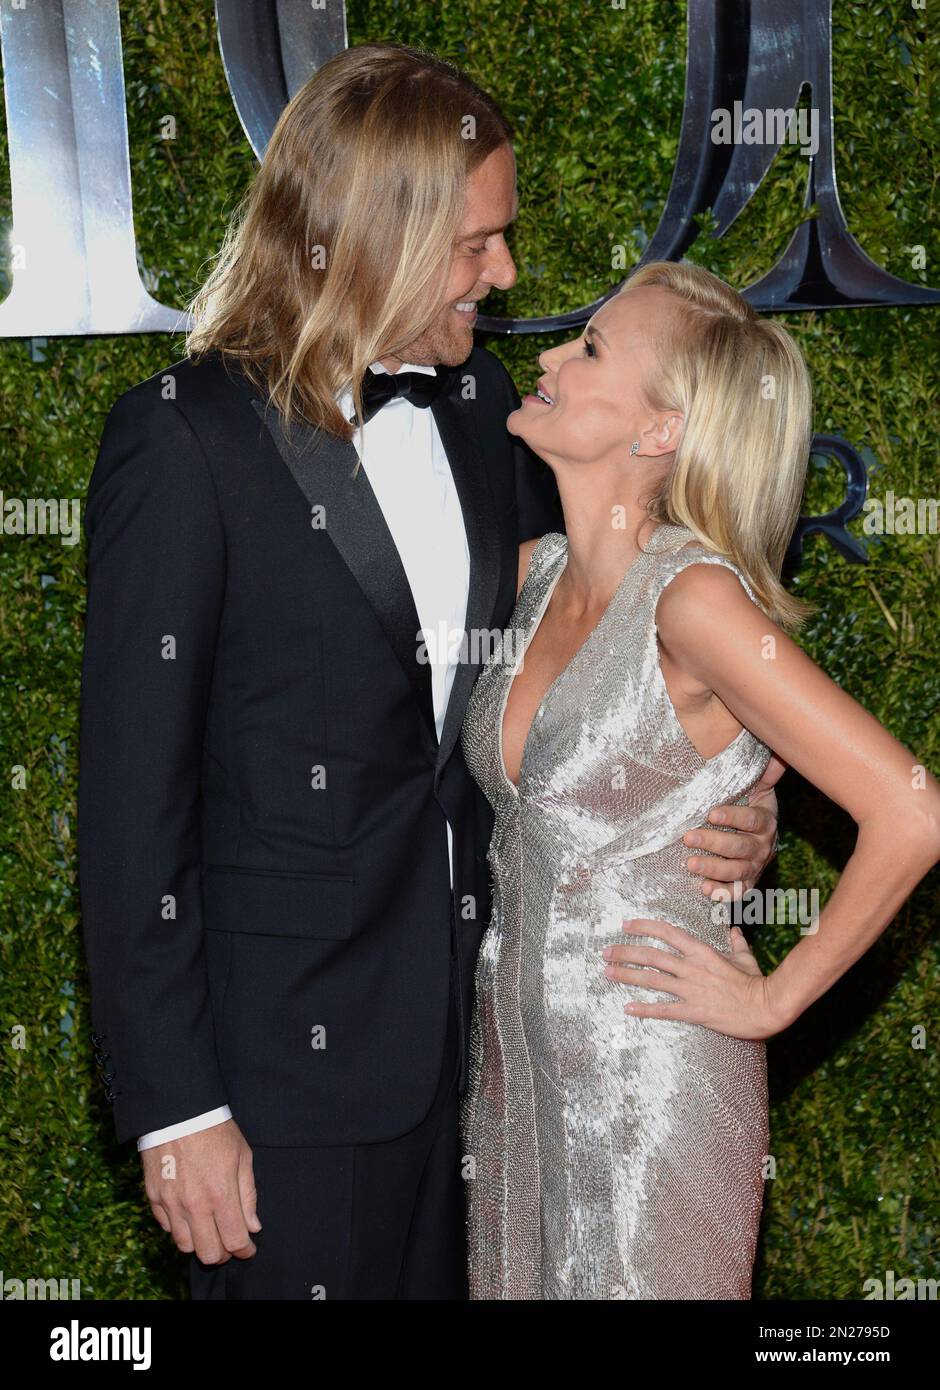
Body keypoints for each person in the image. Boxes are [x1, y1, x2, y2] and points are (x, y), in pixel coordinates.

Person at [77, 47, 779, 1301]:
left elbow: (611, 628)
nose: (504, 276)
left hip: (498, 1062)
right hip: (283, 1091)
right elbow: (132, 814)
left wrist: (734, 784)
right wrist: (175, 1108)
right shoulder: (181, 441)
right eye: (476, 245)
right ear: (375, 234)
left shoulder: (480, 407)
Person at [459, 259, 940, 1300]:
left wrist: (771, 999)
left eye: (587, 349)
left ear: (659, 431)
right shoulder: (532, 572)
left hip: (651, 1075)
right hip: (513, 1071)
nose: (544, 354)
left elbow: (909, 808)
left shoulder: (694, 601)